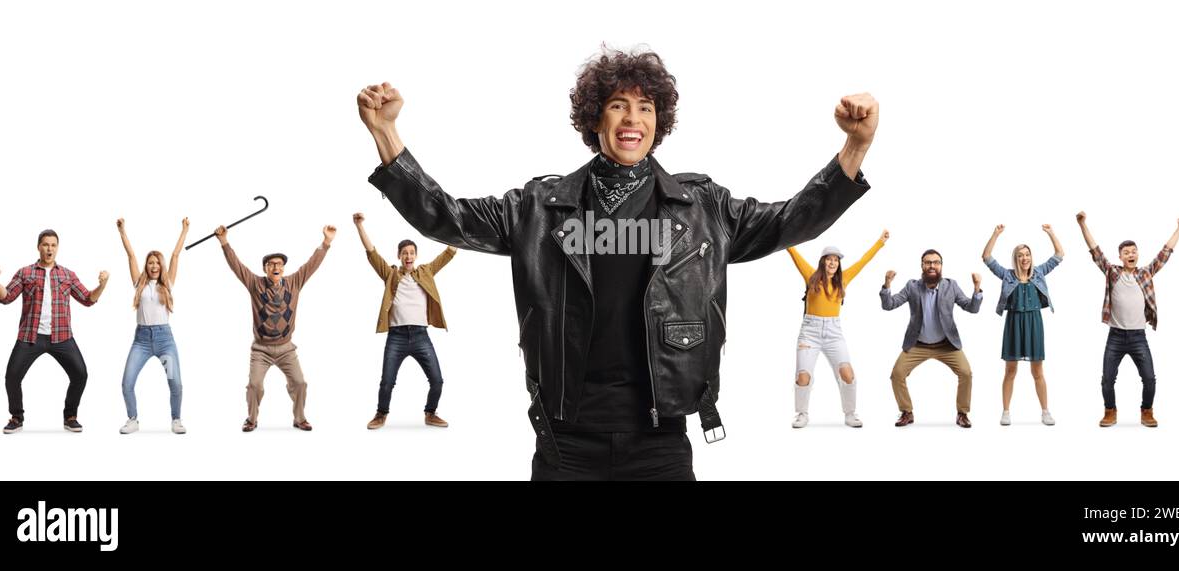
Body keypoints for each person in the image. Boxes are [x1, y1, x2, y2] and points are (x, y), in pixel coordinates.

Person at [357, 47, 877, 480]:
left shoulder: (703, 208)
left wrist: (855, 146)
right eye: (618, 105)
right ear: (594, 118)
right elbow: (444, 217)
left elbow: (793, 220)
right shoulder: (538, 208)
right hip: (565, 440)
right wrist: (386, 135)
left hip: (661, 438)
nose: (633, 120)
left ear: (660, 120)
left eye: (646, 107)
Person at [214, 223, 334, 432]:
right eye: (271, 264)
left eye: (279, 264)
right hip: (261, 349)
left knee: (300, 384)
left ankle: (299, 418)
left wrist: (326, 242)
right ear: (265, 269)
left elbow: (312, 264)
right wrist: (224, 243)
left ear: (283, 268)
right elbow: (237, 266)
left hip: (286, 348)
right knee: (254, 386)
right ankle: (251, 419)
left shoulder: (294, 282)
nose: (276, 267)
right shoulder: (255, 284)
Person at [0, 229, 109, 433]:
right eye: (46, 244)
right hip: (30, 336)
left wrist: (103, 285)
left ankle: (70, 416)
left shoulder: (67, 275)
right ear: (38, 247)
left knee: (80, 374)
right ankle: (16, 417)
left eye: (53, 245)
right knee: (12, 376)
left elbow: (87, 299)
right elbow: (6, 297)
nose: (49, 249)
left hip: (61, 337)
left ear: (57, 248)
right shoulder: (25, 272)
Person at [1075, 211, 1179, 428]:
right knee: (1107, 379)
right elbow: (1094, 250)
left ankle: (1147, 411)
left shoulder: (1145, 273)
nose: (1131, 254)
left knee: (1150, 378)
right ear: (1120, 257)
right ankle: (1110, 411)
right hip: (1115, 337)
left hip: (1138, 337)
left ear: (1137, 255)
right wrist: (1082, 225)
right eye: (1126, 252)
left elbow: (1165, 252)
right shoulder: (1112, 272)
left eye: (1134, 251)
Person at [353, 212, 456, 429]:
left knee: (437, 380)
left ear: (416, 255)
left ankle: (430, 413)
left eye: (411, 253)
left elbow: (450, 252)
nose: (408, 256)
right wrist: (359, 225)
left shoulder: (426, 271)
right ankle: (381, 414)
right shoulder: (390, 274)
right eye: (404, 253)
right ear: (399, 256)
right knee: (387, 382)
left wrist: (454, 225)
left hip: (421, 336)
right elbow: (371, 253)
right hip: (397, 337)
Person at [786, 230, 888, 429]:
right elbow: (793, 253)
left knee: (847, 373)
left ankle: (850, 414)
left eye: (836, 260)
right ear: (822, 262)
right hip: (810, 331)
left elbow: (863, 261)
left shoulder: (844, 280)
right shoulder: (811, 277)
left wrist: (880, 242)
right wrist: (783, 235)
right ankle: (801, 414)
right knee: (803, 375)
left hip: (834, 332)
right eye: (829, 259)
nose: (833, 263)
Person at [880, 250, 983, 428]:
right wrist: (887, 285)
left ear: (941, 266)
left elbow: (972, 308)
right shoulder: (912, 286)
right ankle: (906, 412)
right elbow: (889, 305)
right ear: (922, 266)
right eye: (928, 263)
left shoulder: (951, 286)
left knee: (966, 373)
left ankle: (962, 413)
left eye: (936, 262)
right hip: (917, 344)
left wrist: (976, 288)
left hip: (946, 344)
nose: (932, 266)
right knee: (897, 374)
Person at [981, 224, 1064, 426]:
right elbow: (987, 257)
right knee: (1010, 370)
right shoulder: (1008, 275)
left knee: (1038, 371)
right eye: (1020, 255)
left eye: (1027, 254)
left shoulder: (1039, 272)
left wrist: (1051, 233)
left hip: (1034, 322)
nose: (1025, 258)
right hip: (1013, 323)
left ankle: (1045, 411)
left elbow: (1059, 254)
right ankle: (1006, 411)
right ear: (1016, 258)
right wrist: (996, 234)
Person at [115, 217, 191, 434]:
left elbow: (176, 255)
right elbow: (130, 255)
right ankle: (132, 419)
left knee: (175, 383)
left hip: (164, 340)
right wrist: (122, 232)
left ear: (161, 266)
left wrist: (184, 230)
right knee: (126, 382)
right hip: (141, 341)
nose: (154, 265)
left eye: (157, 262)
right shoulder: (139, 283)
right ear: (147, 266)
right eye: (151, 262)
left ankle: (176, 419)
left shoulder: (167, 284)